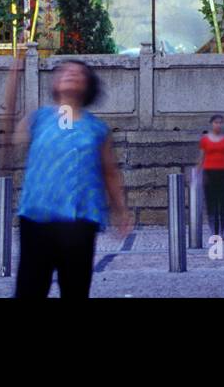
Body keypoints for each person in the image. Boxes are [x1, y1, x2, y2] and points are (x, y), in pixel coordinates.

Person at [9, 58, 132, 298]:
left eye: (79, 73)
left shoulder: (97, 129)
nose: (71, 74)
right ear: (55, 83)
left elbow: (109, 172)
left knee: (75, 290)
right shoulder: (39, 119)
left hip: (79, 221)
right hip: (37, 218)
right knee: (29, 290)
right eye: (65, 71)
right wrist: (14, 75)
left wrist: (121, 211)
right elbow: (13, 135)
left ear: (88, 87)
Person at [197, 115, 224, 241]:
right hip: (210, 173)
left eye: (220, 123)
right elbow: (201, 157)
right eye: (215, 122)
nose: (218, 125)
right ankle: (214, 231)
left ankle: (221, 231)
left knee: (223, 203)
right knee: (211, 203)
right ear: (211, 124)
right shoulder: (205, 140)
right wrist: (197, 172)